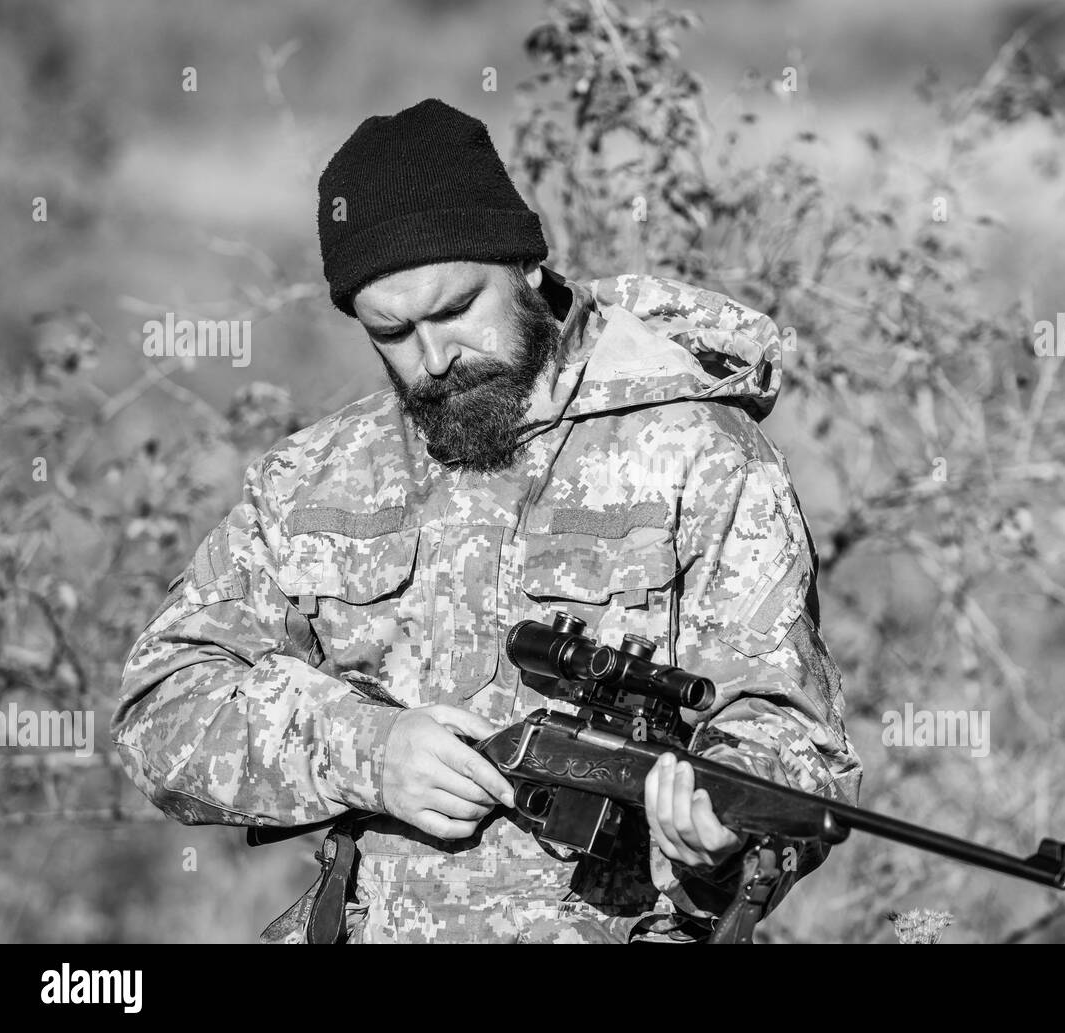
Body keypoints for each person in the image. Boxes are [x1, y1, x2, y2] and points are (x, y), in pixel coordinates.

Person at [112, 98, 862, 943]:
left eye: (456, 308)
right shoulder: (313, 477)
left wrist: (718, 836)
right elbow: (161, 706)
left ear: (527, 269)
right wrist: (367, 748)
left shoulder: (700, 449)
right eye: (392, 332)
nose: (434, 358)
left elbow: (796, 746)